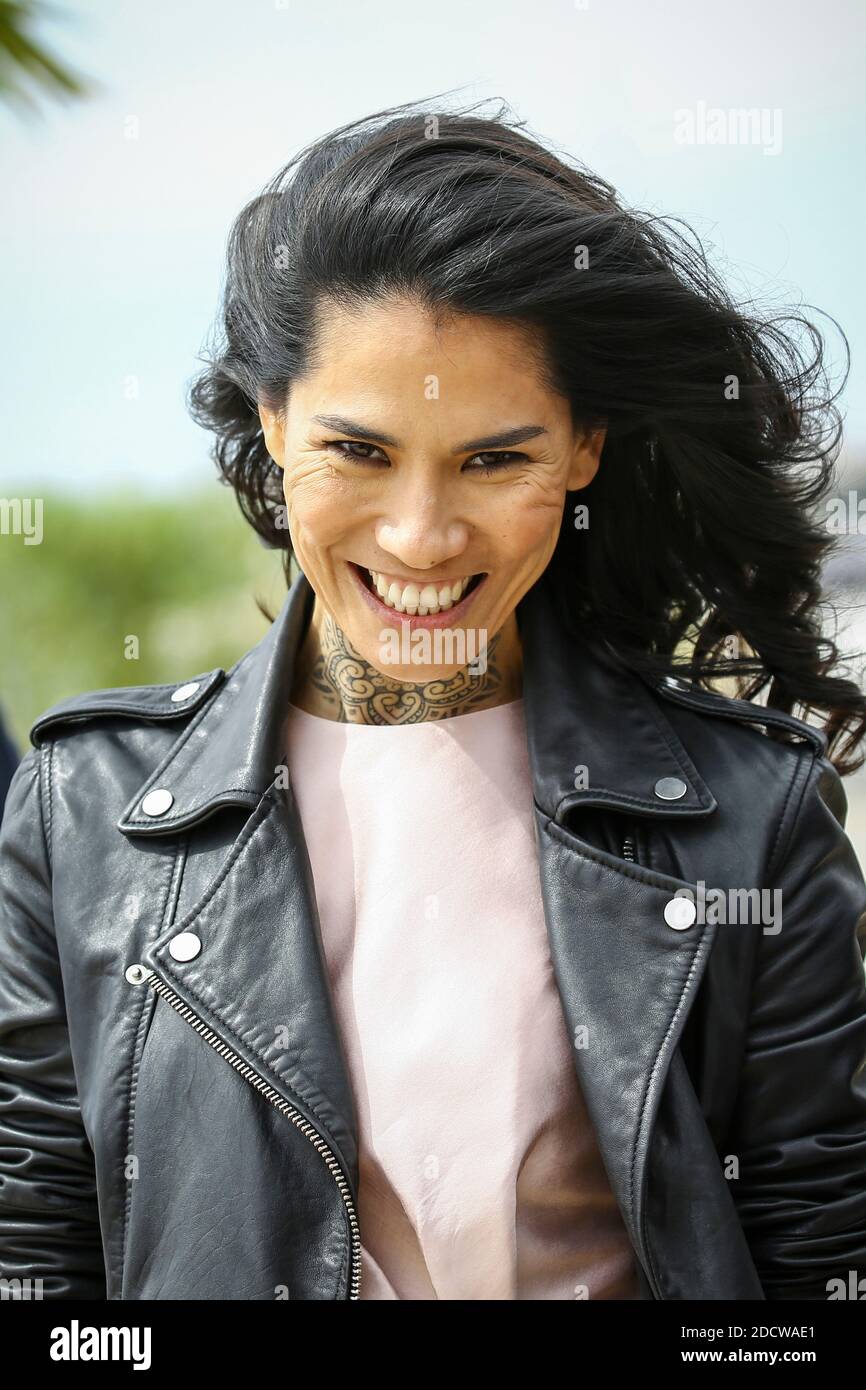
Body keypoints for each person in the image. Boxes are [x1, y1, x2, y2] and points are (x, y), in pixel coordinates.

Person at [1, 99, 865, 1302]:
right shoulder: (82, 810)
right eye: (358, 451)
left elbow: (822, 1266)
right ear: (273, 422)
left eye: (493, 458)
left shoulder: (751, 814)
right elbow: (38, 1254)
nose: (420, 535)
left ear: (582, 450)